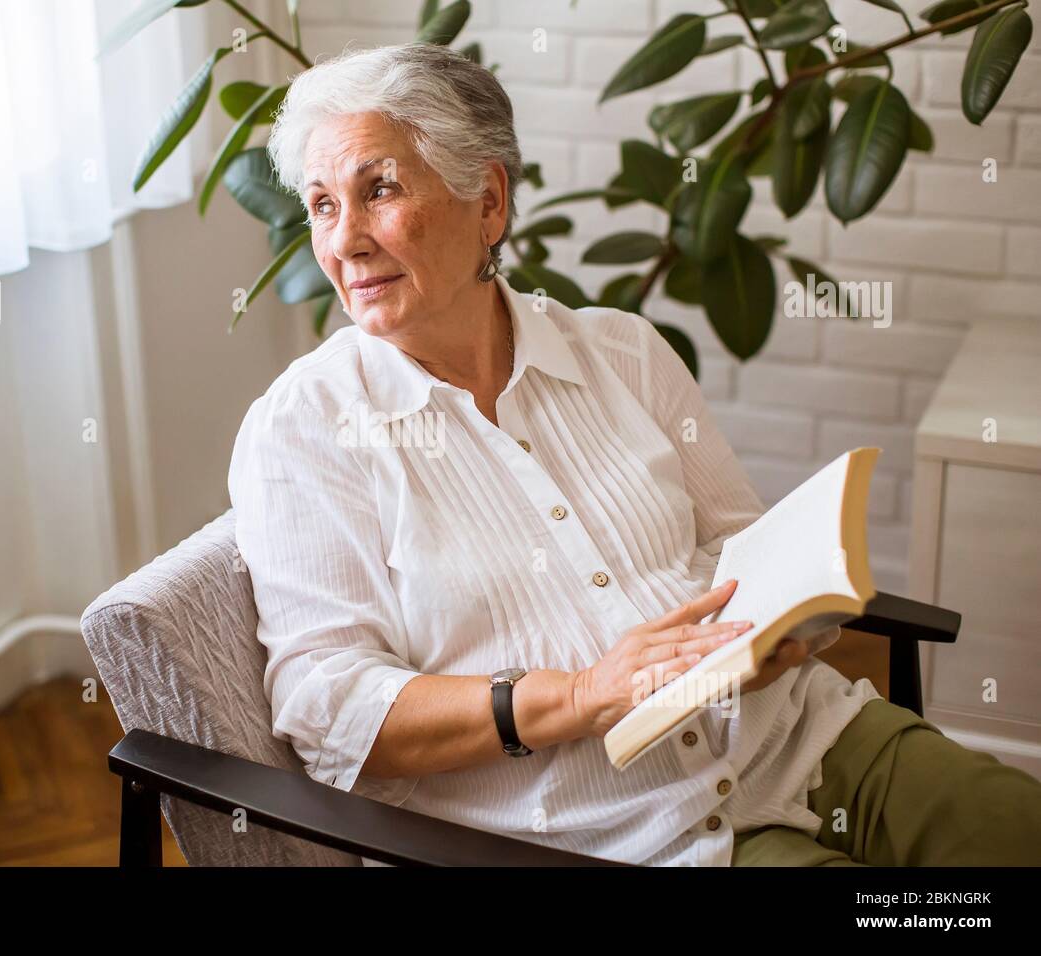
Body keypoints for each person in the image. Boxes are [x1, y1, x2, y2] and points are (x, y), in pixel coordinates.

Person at [227, 42, 1041, 866]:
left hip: (804, 734)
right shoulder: (305, 429)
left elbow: (735, 547)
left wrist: (772, 629)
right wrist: (579, 696)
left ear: (489, 202)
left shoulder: (625, 353)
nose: (347, 241)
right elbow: (326, 708)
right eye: (324, 205)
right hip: (626, 836)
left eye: (380, 190)